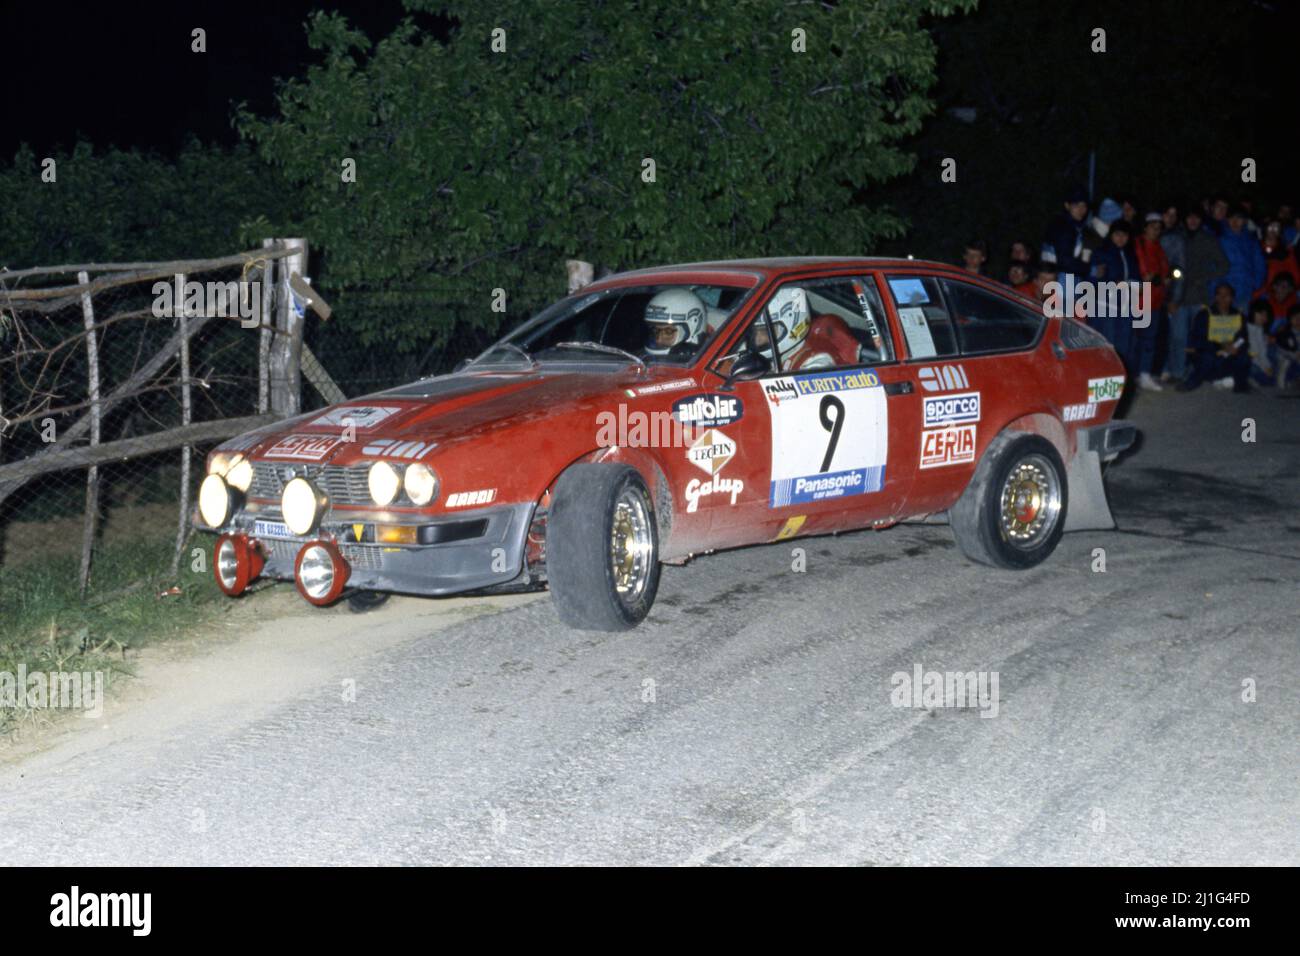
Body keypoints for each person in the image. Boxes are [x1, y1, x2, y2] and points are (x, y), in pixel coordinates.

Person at [1172, 207, 1230, 382]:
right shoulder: (1176, 238)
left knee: (1199, 337)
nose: (1193, 221)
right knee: (1178, 336)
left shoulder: (1208, 239)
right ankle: (1177, 372)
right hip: (1178, 295)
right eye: (1189, 217)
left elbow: (1223, 265)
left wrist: (1204, 278)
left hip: (1200, 296)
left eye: (1196, 218)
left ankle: (1198, 371)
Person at [1090, 219, 1143, 381]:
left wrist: (1138, 285)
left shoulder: (1130, 254)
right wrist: (1112, 283)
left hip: (1126, 303)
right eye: (1117, 234)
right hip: (1105, 304)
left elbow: (1136, 277)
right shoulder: (1101, 252)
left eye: (1124, 235)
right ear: (1111, 235)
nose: (1121, 238)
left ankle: (1122, 379)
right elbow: (1093, 280)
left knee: (1125, 342)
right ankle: (1105, 378)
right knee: (1108, 341)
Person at [1179, 283, 1250, 392]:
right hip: (1211, 356)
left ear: (1232, 298)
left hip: (1229, 355)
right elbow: (1198, 339)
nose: (1222, 298)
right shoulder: (1205, 314)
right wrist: (1220, 346)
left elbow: (1243, 338)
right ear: (1215, 297)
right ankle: (1192, 382)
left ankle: (1240, 386)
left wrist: (1236, 348)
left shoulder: (1239, 315)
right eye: (1219, 295)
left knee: (1244, 357)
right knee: (1206, 356)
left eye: (1226, 295)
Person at [751, 286, 834, 371]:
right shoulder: (781, 356)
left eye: (765, 332)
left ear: (793, 325)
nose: (757, 340)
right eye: (754, 332)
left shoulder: (817, 362)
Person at [1133, 213, 1171, 390]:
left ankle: (1144, 374)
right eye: (1153, 226)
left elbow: (1163, 271)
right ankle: (1134, 374)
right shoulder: (1138, 244)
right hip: (1139, 300)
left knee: (1149, 339)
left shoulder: (1159, 247)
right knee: (1137, 338)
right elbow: (1143, 271)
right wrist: (1152, 278)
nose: (1156, 230)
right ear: (1145, 227)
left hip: (1155, 300)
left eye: (1159, 227)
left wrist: (1166, 278)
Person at [1219, 205, 1266, 309]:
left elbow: (1259, 265)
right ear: (1227, 220)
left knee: (1241, 322)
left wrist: (1254, 284)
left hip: (1245, 292)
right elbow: (1213, 266)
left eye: (1239, 218)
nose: (1235, 221)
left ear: (1244, 221)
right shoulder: (1220, 241)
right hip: (1224, 292)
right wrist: (1216, 289)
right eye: (1232, 218)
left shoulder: (1251, 241)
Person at [1042, 186, 1093, 280]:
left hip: (1069, 277)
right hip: (1058, 278)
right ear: (1067, 205)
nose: (1081, 209)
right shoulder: (1061, 227)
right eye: (1076, 205)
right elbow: (1064, 262)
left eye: (1084, 205)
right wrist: (1090, 268)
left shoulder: (1077, 227)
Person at [642, 288, 708, 359]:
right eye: (655, 331)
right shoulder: (639, 360)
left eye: (668, 332)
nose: (658, 340)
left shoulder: (710, 362)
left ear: (693, 326)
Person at [1244, 299, 1279, 387]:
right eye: (1261, 314)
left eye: (1266, 315)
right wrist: (1264, 368)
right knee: (1253, 369)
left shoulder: (1261, 330)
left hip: (1257, 361)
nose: (1264, 318)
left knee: (1274, 354)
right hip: (1248, 361)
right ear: (1253, 313)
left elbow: (1262, 354)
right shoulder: (1247, 329)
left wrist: (1268, 367)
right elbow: (1252, 354)